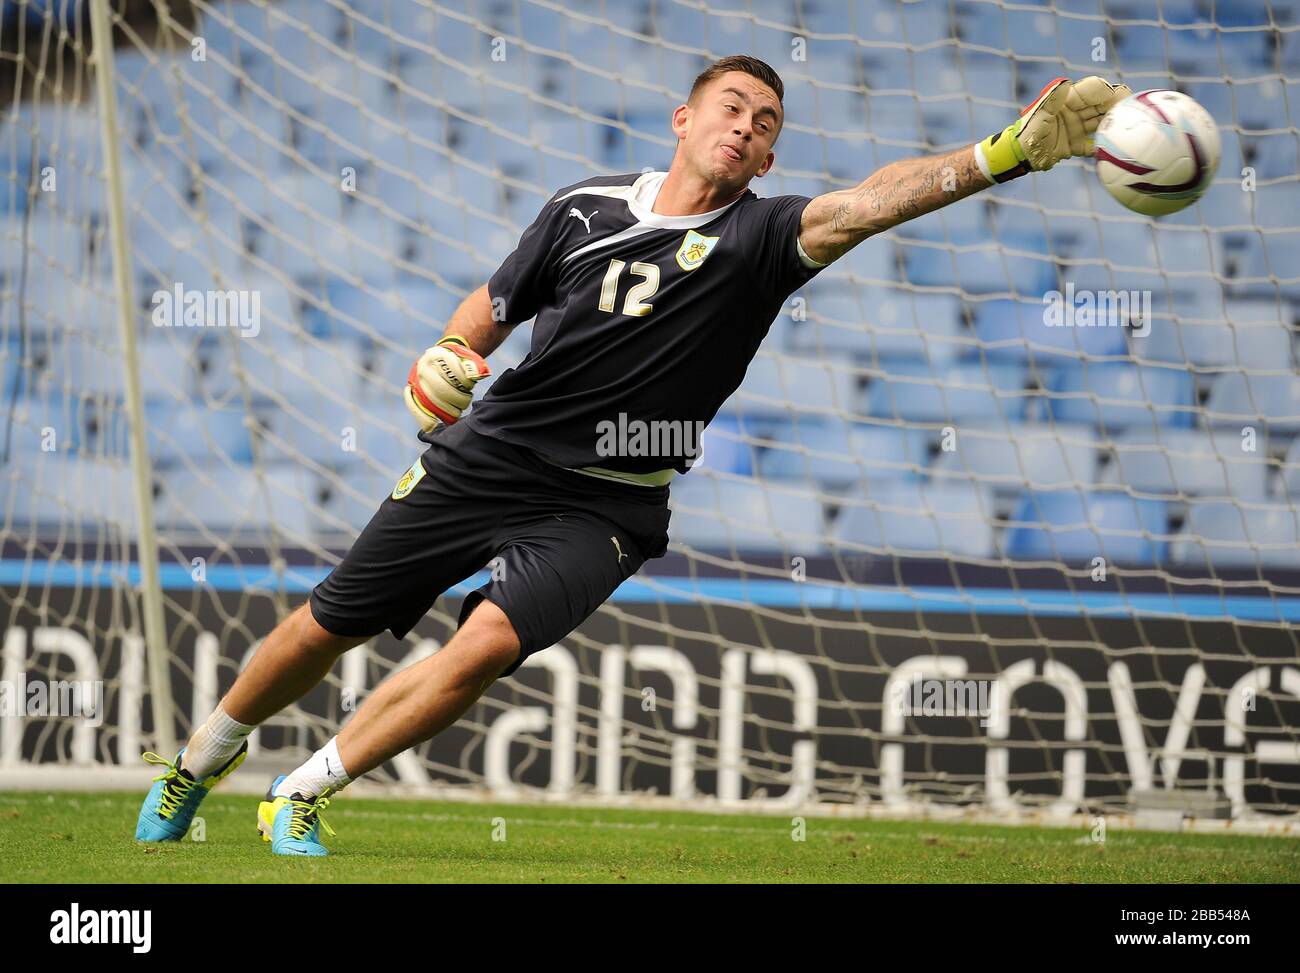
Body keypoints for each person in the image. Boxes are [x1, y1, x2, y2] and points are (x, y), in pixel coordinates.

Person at [135, 55, 1130, 855]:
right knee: (323, 627)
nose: (746, 126)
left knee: (482, 647)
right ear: (682, 120)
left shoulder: (764, 241)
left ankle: (300, 796)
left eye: (766, 124)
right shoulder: (583, 208)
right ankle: (193, 768)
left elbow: (870, 203)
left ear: (769, 162)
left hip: (606, 507)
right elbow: (489, 308)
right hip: (485, 458)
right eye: (731, 108)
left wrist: (1005, 153)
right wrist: (446, 354)